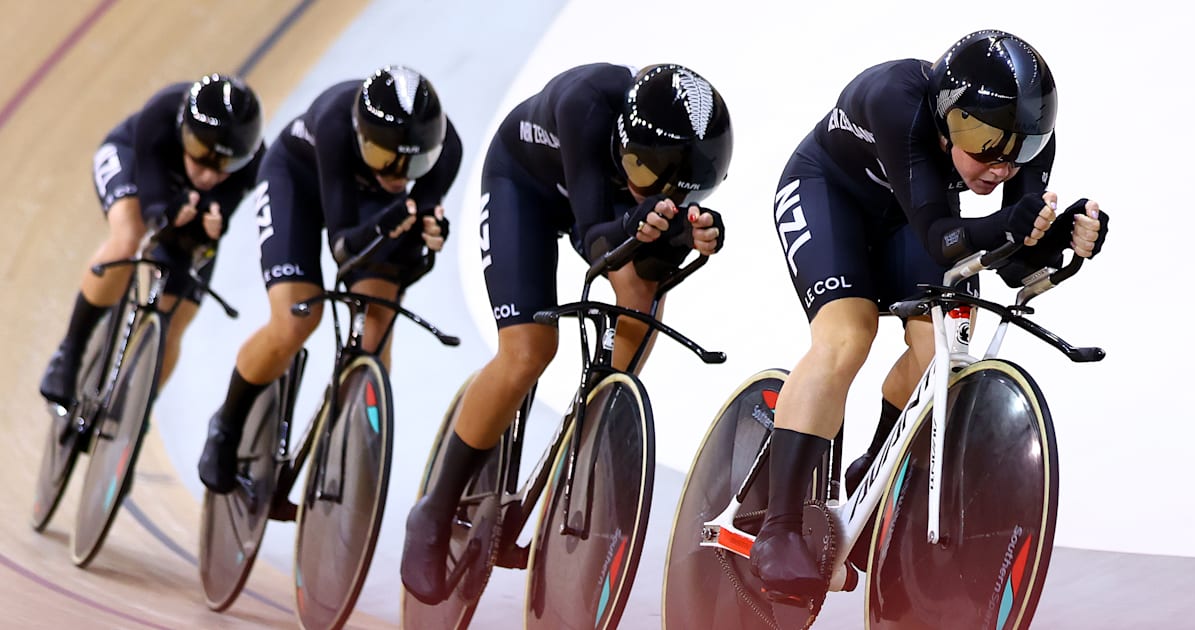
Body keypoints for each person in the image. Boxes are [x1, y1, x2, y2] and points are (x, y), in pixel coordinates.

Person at [752, 30, 1111, 600]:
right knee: (849, 335)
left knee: (945, 341)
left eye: (1022, 148)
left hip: (906, 215)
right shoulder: (897, 100)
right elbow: (947, 239)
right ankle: (780, 527)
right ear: (947, 119)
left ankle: (873, 469)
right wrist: (1016, 229)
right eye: (984, 141)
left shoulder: (1023, 149)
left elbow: (1013, 264)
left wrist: (1060, 237)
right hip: (830, 192)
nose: (1002, 165)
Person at [401, 62, 734, 604]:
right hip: (524, 186)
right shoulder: (587, 102)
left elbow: (645, 260)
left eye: (671, 186)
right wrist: (638, 221)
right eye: (645, 173)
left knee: (643, 290)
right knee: (529, 350)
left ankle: (600, 412)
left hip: (602, 206)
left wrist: (694, 232)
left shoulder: (652, 169)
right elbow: (596, 240)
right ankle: (433, 510)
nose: (653, 189)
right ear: (624, 141)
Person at [196, 65, 461, 494]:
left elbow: (415, 238)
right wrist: (397, 218)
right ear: (360, 135)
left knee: (377, 326)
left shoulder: (447, 150)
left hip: (371, 208)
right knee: (296, 320)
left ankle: (354, 450)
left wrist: (429, 232)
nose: (398, 173)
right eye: (383, 157)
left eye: (413, 163)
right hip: (297, 183)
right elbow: (345, 249)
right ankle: (226, 425)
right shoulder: (337, 120)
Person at [39, 74, 265, 409]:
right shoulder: (162, 113)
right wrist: (172, 214)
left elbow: (214, 227)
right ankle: (69, 353)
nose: (208, 174)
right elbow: (154, 206)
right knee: (128, 238)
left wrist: (209, 227)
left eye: (225, 166)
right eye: (200, 155)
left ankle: (136, 414)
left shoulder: (253, 163)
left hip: (185, 210)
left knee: (176, 316)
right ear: (184, 131)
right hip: (132, 163)